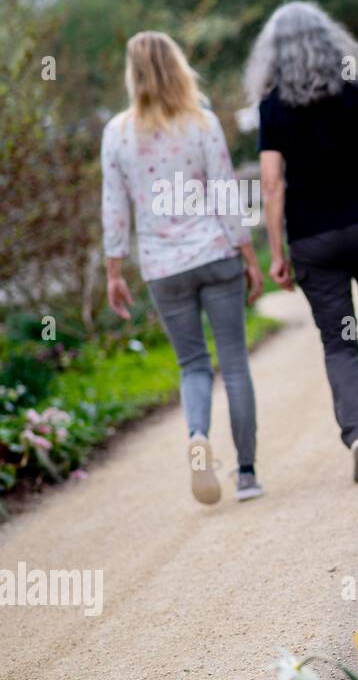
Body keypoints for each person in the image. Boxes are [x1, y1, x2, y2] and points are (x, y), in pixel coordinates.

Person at [244, 1, 358, 483]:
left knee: (340, 342)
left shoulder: (272, 109)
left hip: (313, 239)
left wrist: (278, 253)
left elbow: (271, 183)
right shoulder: (355, 92)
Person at [102, 31, 264, 505]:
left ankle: (198, 435)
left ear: (133, 75)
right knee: (234, 364)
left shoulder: (117, 133)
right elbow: (226, 193)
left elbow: (114, 207)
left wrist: (114, 270)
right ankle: (248, 474)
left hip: (161, 267)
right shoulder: (203, 123)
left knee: (192, 365)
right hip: (215, 255)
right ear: (178, 67)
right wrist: (248, 256)